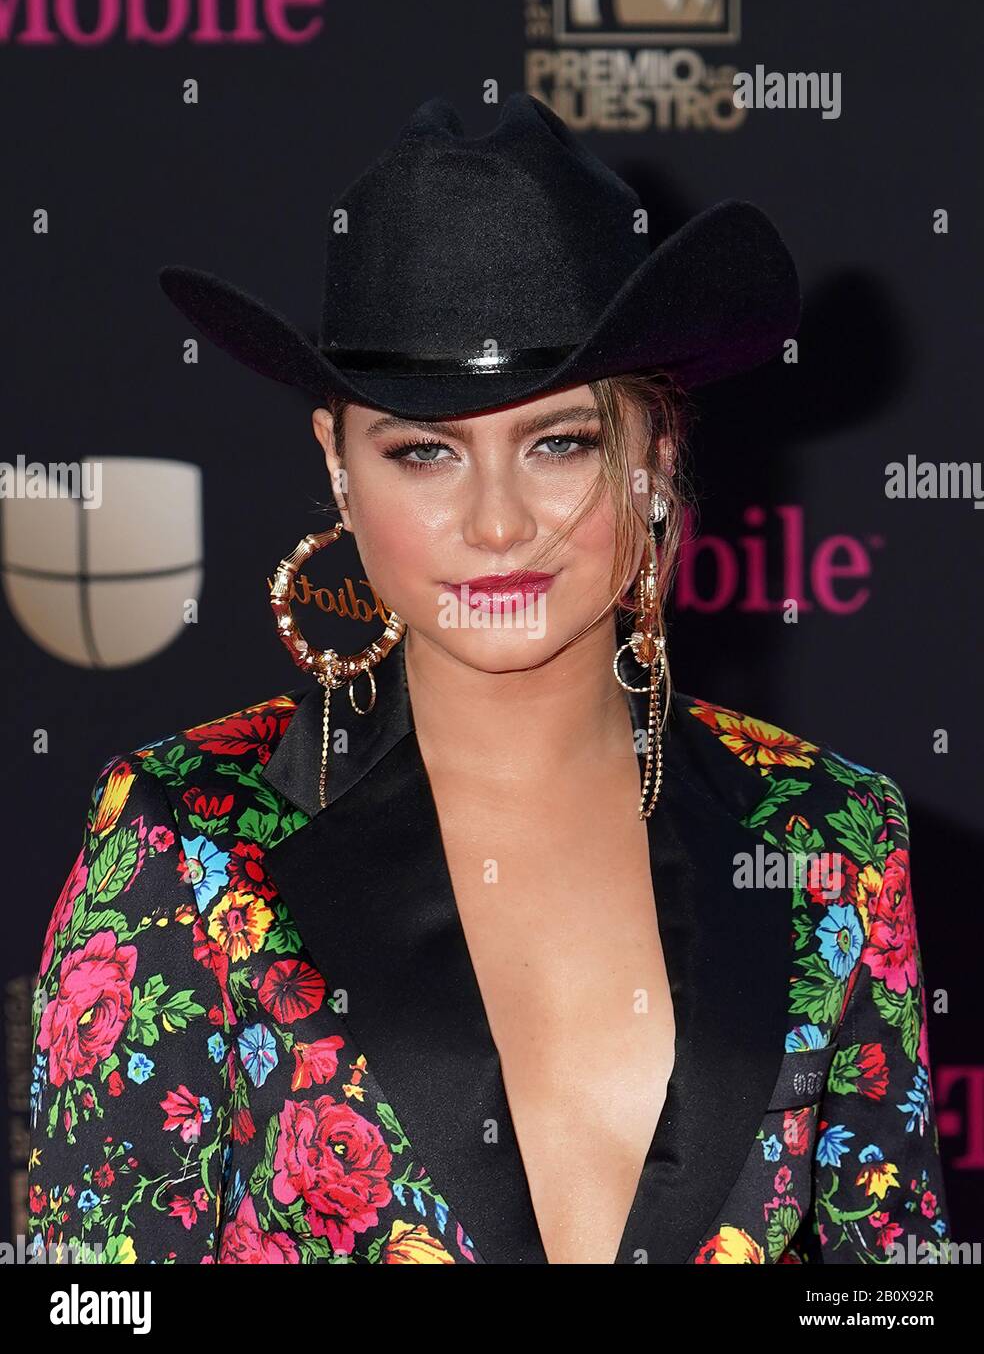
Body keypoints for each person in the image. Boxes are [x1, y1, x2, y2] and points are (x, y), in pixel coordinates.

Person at [27, 93, 951, 1266]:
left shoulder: (835, 833)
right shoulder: (188, 837)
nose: (500, 521)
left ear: (656, 455)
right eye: (424, 451)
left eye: (560, 441)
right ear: (339, 466)